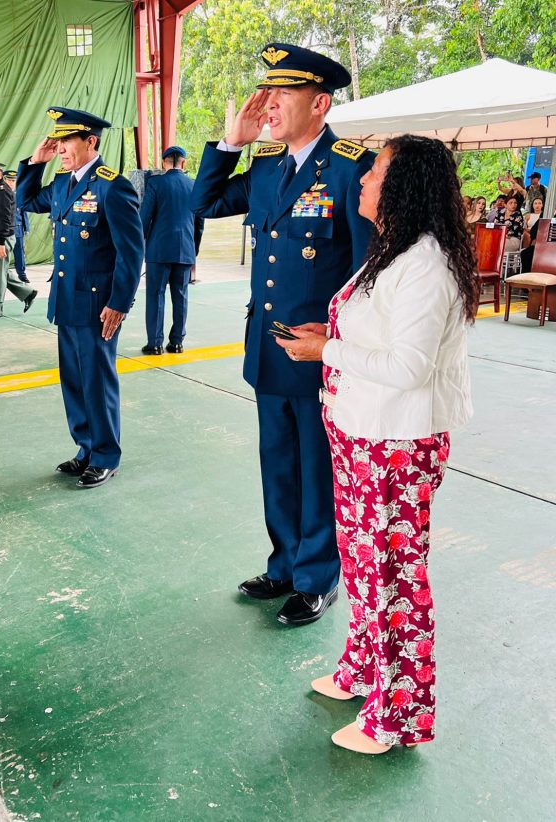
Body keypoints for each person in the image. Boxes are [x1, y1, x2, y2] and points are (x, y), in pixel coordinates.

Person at [276, 135, 476, 754]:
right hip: (363, 435)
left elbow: (409, 366)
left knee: (393, 579)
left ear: (404, 187)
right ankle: (364, 670)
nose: (362, 180)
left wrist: (326, 349)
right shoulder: (393, 251)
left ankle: (397, 718)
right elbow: (376, 331)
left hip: (395, 445)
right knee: (364, 566)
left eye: (376, 172)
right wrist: (329, 330)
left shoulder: (426, 264)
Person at [191, 43, 374, 626]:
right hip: (269, 348)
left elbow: (369, 269)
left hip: (319, 351)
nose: (268, 104)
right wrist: (230, 145)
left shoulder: (351, 167)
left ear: (320, 103)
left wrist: (345, 342)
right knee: (277, 463)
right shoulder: (268, 165)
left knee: (317, 468)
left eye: (283, 94)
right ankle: (285, 565)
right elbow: (204, 202)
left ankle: (317, 577)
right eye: (267, 94)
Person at [16, 107, 144, 488]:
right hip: (67, 301)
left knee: (97, 381)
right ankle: (86, 447)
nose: (60, 148)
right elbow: (25, 199)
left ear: (91, 142)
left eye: (67, 140)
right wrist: (35, 163)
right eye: (57, 141)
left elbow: (131, 252)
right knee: (73, 380)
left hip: (97, 306)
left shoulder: (112, 186)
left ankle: (105, 455)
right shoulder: (62, 184)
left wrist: (119, 303)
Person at [140, 145, 204, 355]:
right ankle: (176, 342)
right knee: (180, 295)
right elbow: (200, 223)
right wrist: (193, 249)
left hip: (158, 250)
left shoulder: (155, 183)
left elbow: (144, 218)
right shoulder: (194, 186)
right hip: (185, 249)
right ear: (183, 163)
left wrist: (140, 246)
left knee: (155, 295)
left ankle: (155, 343)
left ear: (164, 163)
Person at [0, 160, 37, 319]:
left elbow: (6, 219)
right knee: (1, 271)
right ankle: (28, 293)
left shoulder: (1, 191)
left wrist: (1, 243)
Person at [2, 170, 31, 283]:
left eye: (14, 180)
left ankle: (22, 274)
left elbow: (24, 212)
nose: (11, 183)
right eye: (9, 180)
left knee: (20, 253)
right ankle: (3, 274)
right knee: (4, 253)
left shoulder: (19, 195)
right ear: (4, 180)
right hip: (4, 230)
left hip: (17, 229)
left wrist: (26, 227)